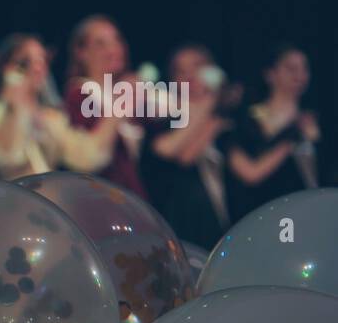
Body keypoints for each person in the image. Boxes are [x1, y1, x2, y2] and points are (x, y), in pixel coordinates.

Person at [0, 34, 119, 180]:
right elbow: (4, 158)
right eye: (26, 63)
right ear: (8, 69)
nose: (37, 68)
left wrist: (116, 113)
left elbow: (85, 157)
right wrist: (15, 106)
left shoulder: (51, 119)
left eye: (42, 60)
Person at [139, 45, 236, 249]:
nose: (190, 76)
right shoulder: (164, 115)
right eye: (181, 71)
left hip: (223, 223)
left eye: (197, 67)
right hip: (181, 226)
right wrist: (209, 103)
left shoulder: (228, 119)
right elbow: (175, 152)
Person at [223, 44, 322, 221]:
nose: (299, 75)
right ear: (270, 74)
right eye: (291, 68)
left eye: (304, 68)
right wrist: (293, 135)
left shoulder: (315, 118)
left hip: (305, 215)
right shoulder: (247, 119)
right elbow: (250, 173)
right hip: (261, 217)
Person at [62, 15, 146, 196]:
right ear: (81, 53)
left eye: (117, 40)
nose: (113, 50)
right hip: (103, 199)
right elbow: (89, 158)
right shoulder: (79, 95)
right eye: (101, 44)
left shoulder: (124, 92)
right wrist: (122, 103)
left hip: (131, 198)